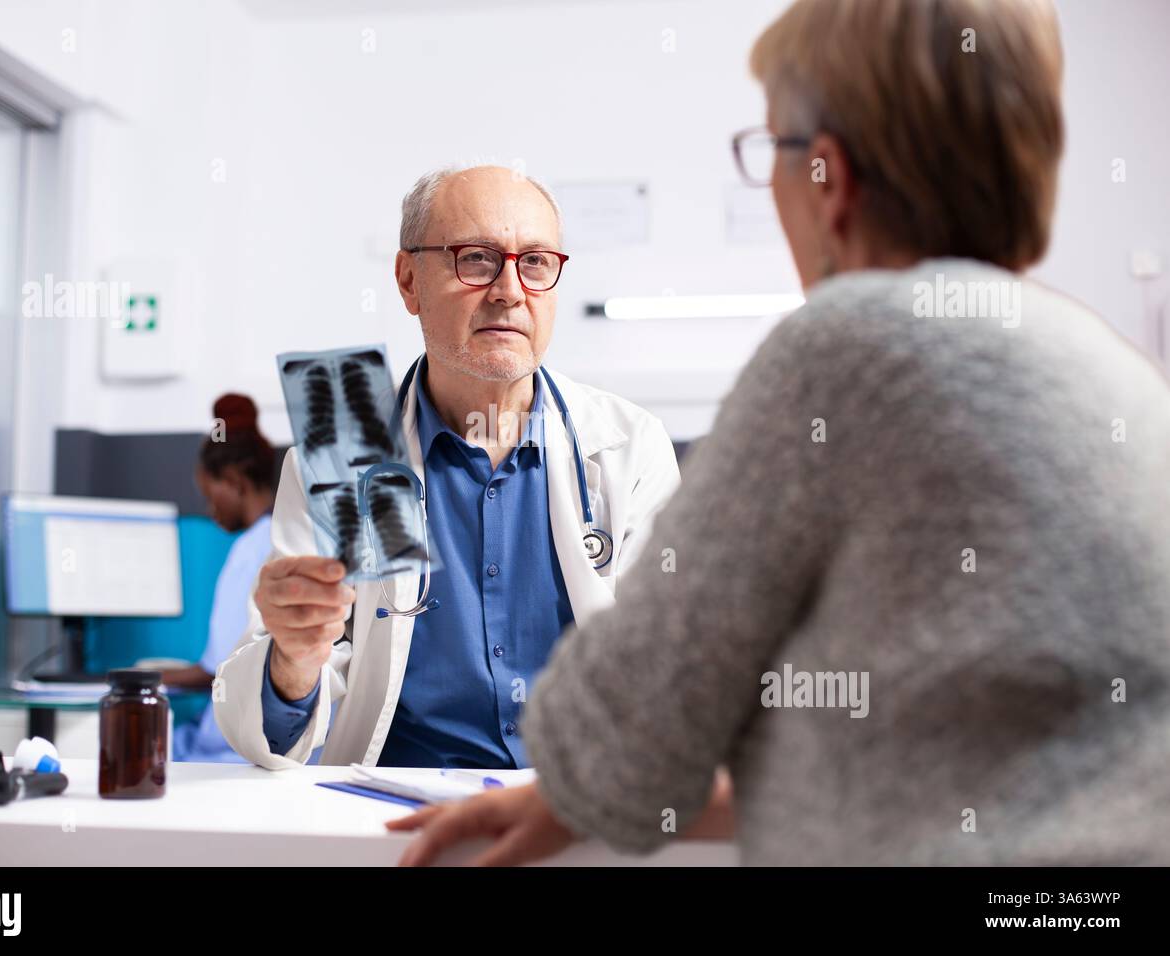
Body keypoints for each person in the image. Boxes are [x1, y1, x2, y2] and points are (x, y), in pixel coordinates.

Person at [389, 0, 1170, 865]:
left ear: (829, 179)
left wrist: (590, 778)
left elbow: (628, 734)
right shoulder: (1118, 374)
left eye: (773, 153)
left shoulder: (845, 351)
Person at [214, 166, 682, 768]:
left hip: (574, 816)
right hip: (398, 823)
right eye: (477, 259)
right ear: (409, 281)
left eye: (535, 262)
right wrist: (294, 657)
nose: (510, 290)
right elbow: (268, 733)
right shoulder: (347, 454)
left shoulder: (626, 446)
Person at [167, 394, 276, 763]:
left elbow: (221, 669)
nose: (208, 507)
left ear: (233, 481)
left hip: (235, 750)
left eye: (209, 493)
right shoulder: (287, 534)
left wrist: (144, 677)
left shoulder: (250, 551)